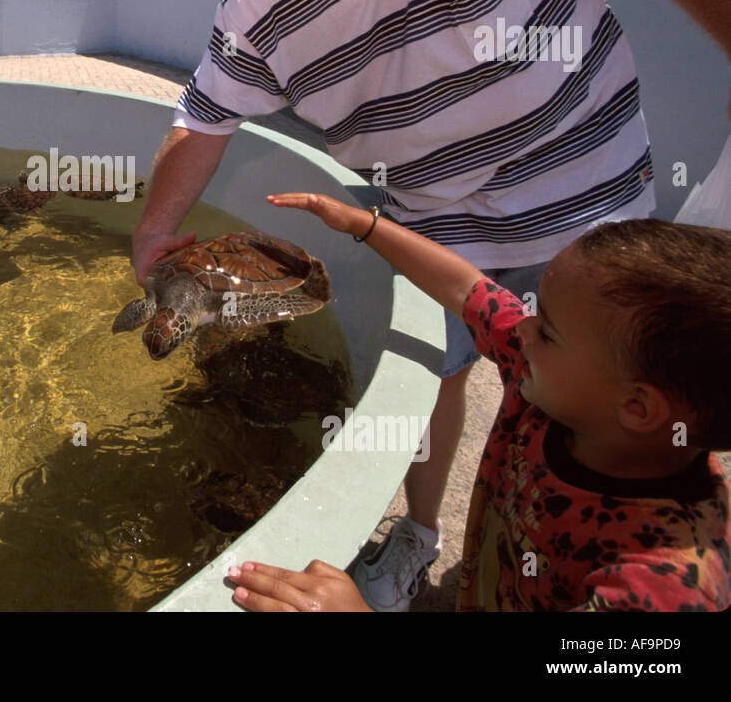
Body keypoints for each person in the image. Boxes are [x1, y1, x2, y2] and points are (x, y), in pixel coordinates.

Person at [131, 0, 731, 610]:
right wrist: (154, 230)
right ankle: (426, 536)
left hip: (592, 206)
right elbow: (205, 114)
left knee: (633, 406)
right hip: (434, 223)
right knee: (433, 378)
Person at [228, 192, 730, 611]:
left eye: (548, 330)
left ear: (639, 408)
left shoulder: (661, 588)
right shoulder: (561, 387)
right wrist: (364, 225)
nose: (522, 325)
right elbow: (468, 288)